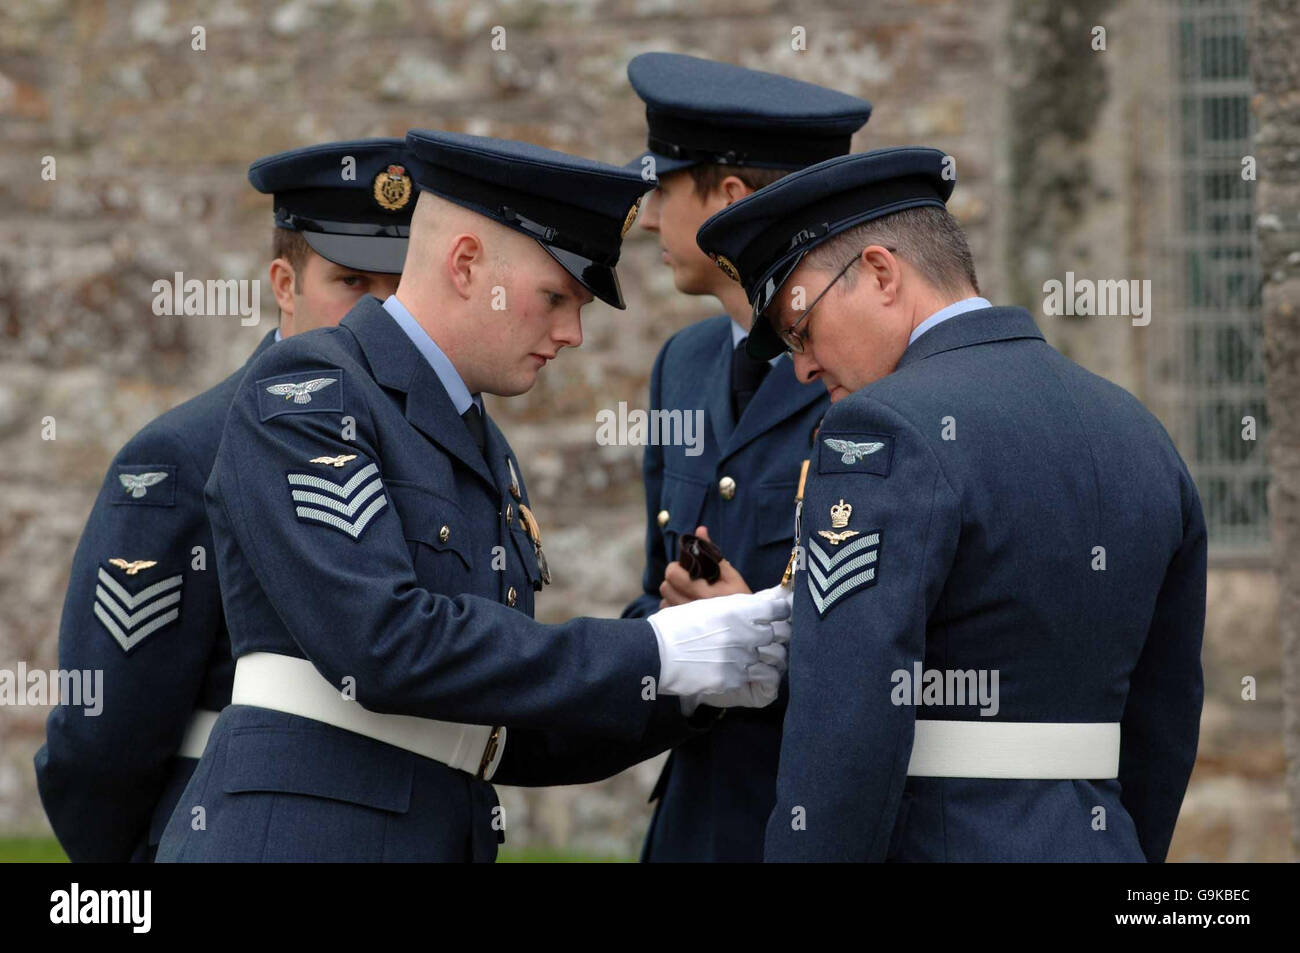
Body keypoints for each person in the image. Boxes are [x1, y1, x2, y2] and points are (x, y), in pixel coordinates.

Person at [156, 130, 791, 863]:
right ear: (465, 265)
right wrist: (655, 648)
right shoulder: (307, 393)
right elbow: (383, 641)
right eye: (556, 296)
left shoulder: (482, 444)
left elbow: (510, 715)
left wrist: (701, 679)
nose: (574, 333)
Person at [696, 146, 1206, 862]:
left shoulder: (879, 428)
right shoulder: (1137, 429)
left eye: (801, 328)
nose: (803, 365)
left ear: (879, 272)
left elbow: (847, 722)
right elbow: (1167, 712)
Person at [34, 138, 413, 862]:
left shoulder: (432, 449)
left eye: (401, 290)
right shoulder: (185, 452)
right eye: (353, 283)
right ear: (284, 283)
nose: (379, 316)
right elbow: (104, 731)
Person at [621, 52, 871, 862]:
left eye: (662, 189)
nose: (648, 218)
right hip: (695, 818)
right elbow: (654, 584)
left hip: (808, 816)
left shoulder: (871, 372)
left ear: (728, 199)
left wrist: (756, 633)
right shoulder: (683, 365)